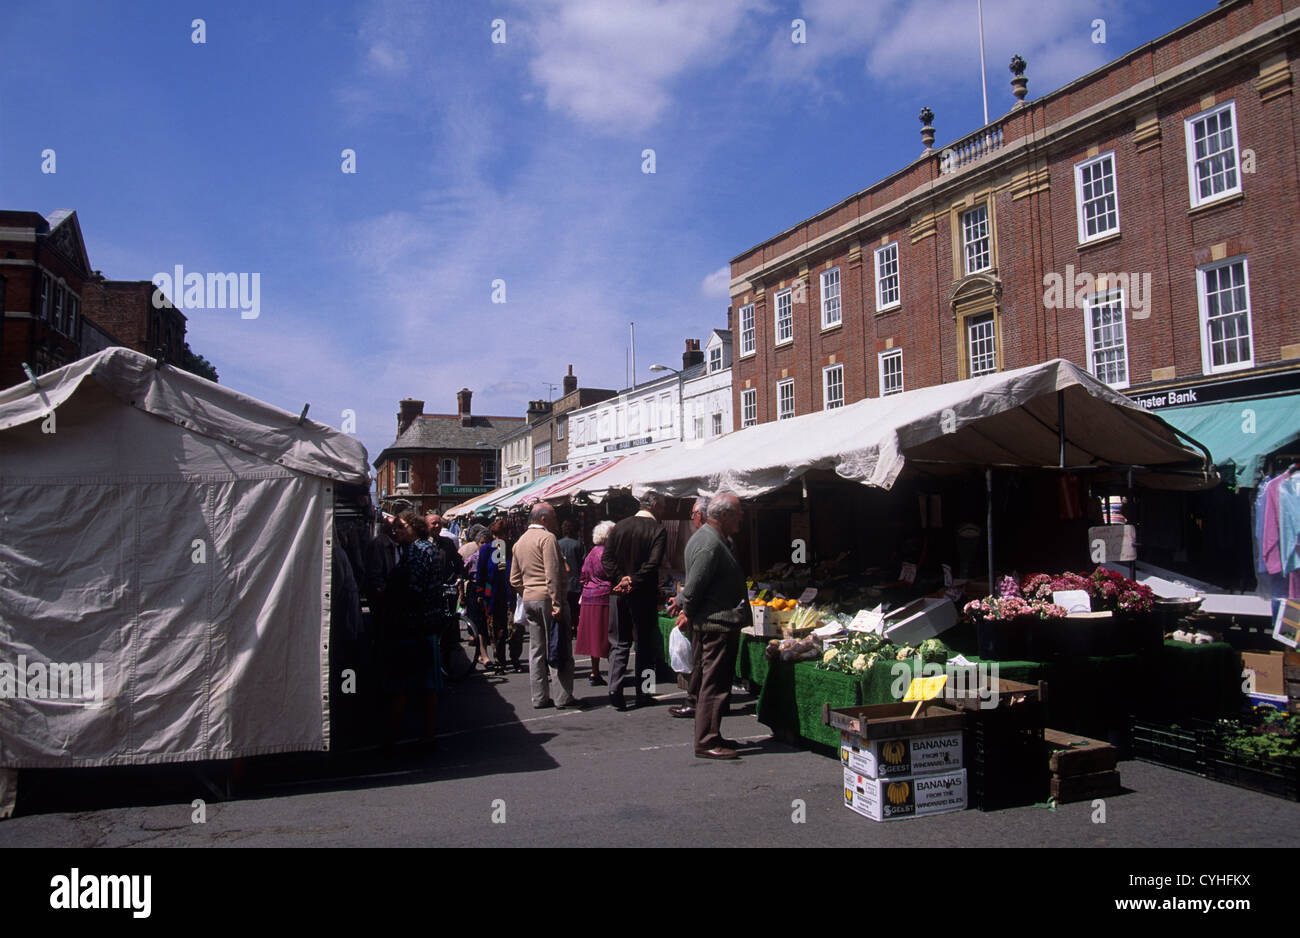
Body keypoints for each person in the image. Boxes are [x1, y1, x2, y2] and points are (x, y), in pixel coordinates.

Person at [675, 493, 750, 760]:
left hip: (717, 622)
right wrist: (687, 611)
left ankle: (712, 734)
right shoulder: (710, 543)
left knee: (714, 681)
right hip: (716, 624)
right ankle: (706, 740)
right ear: (725, 515)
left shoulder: (711, 538)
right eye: (738, 512)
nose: (742, 517)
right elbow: (694, 587)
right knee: (714, 683)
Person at [382, 510, 444, 754]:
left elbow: (414, 589)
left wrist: (391, 595)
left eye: (401, 526)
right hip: (426, 624)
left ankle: (391, 740)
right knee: (426, 684)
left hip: (413, 626)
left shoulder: (418, 552)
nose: (396, 530)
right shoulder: (423, 549)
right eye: (395, 526)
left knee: (402, 684)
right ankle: (428, 735)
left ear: (415, 527)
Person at [602, 490, 668, 711]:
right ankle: (645, 692)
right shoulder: (657, 530)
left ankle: (614, 688)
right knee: (645, 644)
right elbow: (653, 562)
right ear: (655, 505)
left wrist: (621, 579)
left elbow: (606, 559)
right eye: (663, 506)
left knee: (619, 642)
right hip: (643, 594)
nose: (664, 510)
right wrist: (634, 580)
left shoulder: (619, 526)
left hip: (619, 593)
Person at [509, 502, 579, 708]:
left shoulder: (519, 542)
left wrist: (527, 591)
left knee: (536, 650)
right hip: (548, 599)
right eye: (554, 516)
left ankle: (539, 697)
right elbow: (552, 574)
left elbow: (514, 579)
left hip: (530, 599)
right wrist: (557, 603)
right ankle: (562, 697)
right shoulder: (547, 539)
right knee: (559, 647)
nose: (557, 521)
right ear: (543, 519)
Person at [667, 496, 709, 720]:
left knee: (703, 661)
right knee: (703, 660)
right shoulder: (707, 538)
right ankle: (699, 702)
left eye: (693, 514)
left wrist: (686, 606)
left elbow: (699, 579)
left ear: (700, 515)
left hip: (708, 613)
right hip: (704, 611)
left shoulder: (707, 540)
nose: (691, 518)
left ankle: (699, 705)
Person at [576, 520, 615, 686]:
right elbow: (612, 573)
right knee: (609, 636)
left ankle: (594, 671)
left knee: (593, 637)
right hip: (604, 597)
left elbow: (583, 575)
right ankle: (614, 673)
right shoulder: (606, 553)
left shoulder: (592, 552)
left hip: (588, 597)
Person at [484, 517, 523, 674]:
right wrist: (483, 593)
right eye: (495, 535)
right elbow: (486, 573)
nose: (497, 538)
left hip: (511, 595)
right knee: (497, 631)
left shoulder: (514, 548)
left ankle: (515, 659)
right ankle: (500, 662)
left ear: (507, 534)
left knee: (515, 630)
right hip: (495, 596)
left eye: (500, 535)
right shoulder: (490, 549)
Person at [557, 519, 584, 637]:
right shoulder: (578, 544)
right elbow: (582, 562)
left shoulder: (557, 544)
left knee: (565, 605)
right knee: (575, 607)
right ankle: (575, 626)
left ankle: (567, 626)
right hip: (576, 581)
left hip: (563, 581)